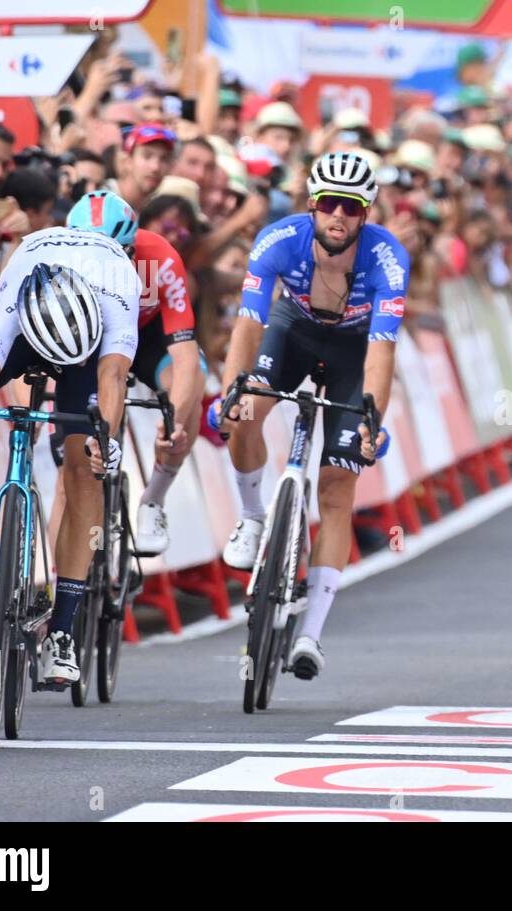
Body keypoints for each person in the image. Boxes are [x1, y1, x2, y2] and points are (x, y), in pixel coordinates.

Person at [211, 151, 405, 681]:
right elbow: (247, 324)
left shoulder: (388, 259)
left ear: (366, 214)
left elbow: (383, 351)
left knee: (339, 485)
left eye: (351, 207)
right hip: (291, 332)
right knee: (246, 411)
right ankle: (252, 517)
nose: (338, 216)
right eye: (328, 204)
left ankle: (311, 633)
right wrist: (237, 386)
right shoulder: (278, 240)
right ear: (311, 207)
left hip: (353, 350)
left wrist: (371, 418)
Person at [0, 226, 139, 685]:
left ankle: (62, 632)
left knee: (85, 469)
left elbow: (113, 376)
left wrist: (106, 441)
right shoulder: (17, 289)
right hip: (30, 315)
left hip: (85, 346)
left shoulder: (120, 294)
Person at [67, 190, 206, 554]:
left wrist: (173, 417)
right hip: (92, 337)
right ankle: (57, 586)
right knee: (74, 470)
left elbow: (186, 356)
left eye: (115, 255)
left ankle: (154, 500)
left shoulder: (159, 256)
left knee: (192, 387)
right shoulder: (57, 259)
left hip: (146, 335)